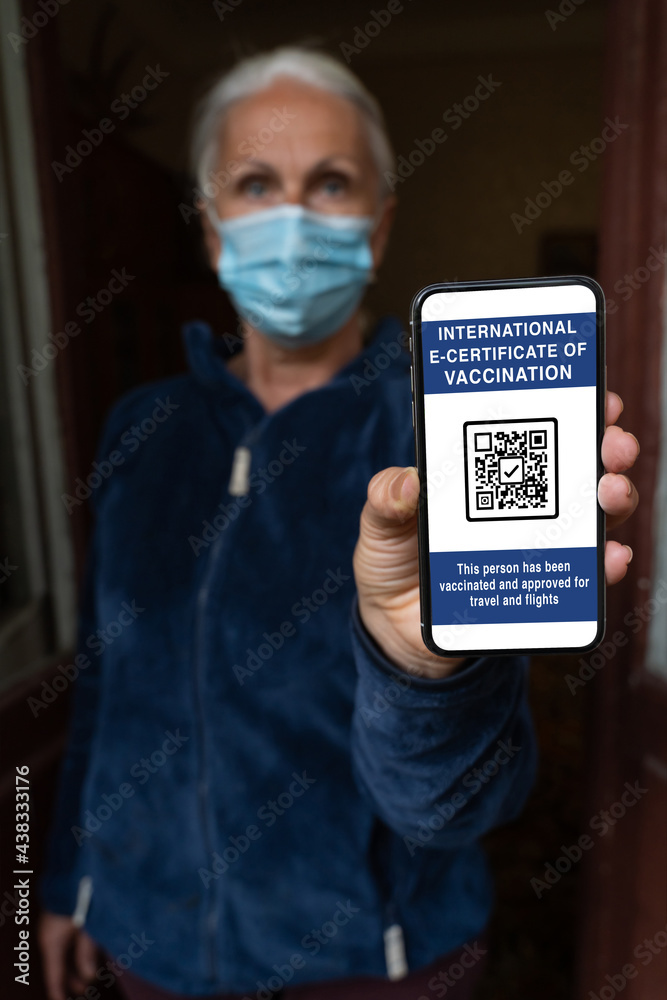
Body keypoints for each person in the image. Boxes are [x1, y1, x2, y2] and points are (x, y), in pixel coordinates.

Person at [38, 47, 639, 1000]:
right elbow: (106, 682)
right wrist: (64, 879)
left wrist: (424, 674)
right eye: (254, 183)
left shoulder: (434, 435)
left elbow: (463, 802)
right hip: (148, 948)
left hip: (377, 968)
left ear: (379, 222)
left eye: (329, 183)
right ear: (208, 225)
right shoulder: (140, 430)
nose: (292, 217)